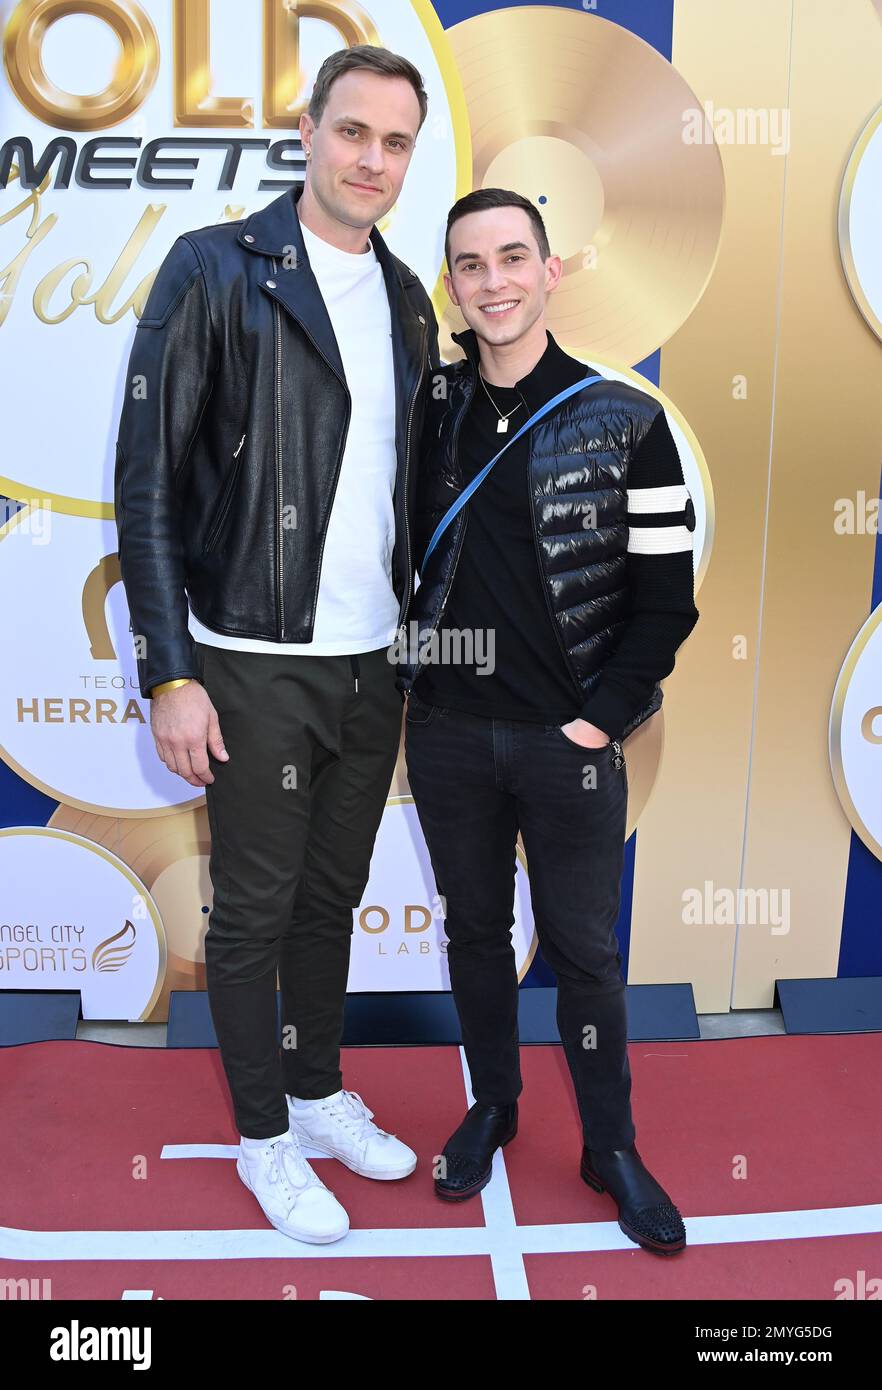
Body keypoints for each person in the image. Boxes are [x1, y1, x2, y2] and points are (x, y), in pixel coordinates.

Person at [114, 45, 441, 1245]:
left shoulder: (410, 298)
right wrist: (170, 670)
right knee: (253, 911)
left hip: (371, 661)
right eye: (351, 132)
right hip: (246, 655)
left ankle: (312, 1095)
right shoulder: (214, 268)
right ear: (306, 131)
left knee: (329, 899)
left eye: (395, 142)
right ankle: (263, 1141)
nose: (371, 160)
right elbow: (144, 485)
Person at [397, 188, 699, 1256]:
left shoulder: (628, 420)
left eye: (513, 257)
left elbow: (669, 603)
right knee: (475, 933)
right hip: (442, 729)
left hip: (564, 743)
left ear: (551, 270)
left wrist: (596, 723)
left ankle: (609, 1146)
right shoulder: (426, 409)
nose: (494, 282)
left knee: (585, 958)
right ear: (453, 283)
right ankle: (495, 1104)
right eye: (470, 265)